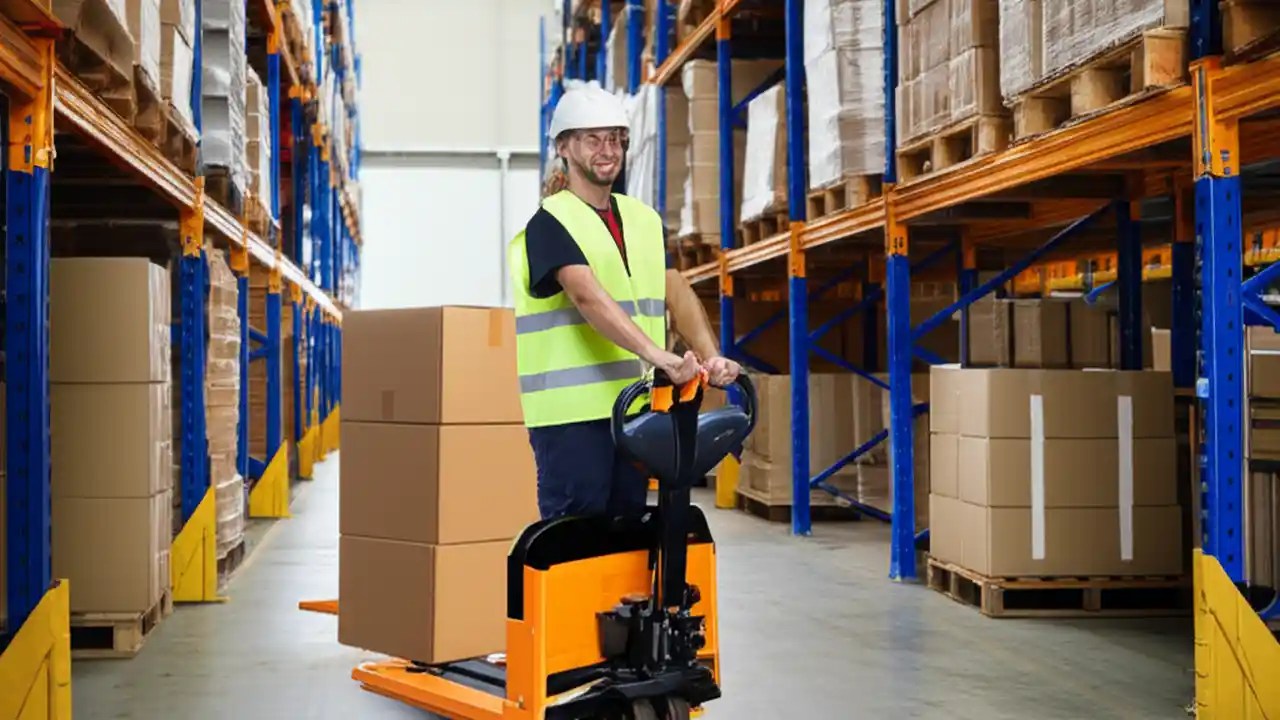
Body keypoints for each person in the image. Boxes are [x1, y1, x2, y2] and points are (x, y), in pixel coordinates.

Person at [509, 83, 742, 520]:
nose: (608, 150)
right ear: (564, 146)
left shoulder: (642, 220)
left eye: (616, 138)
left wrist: (713, 359)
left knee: (626, 534)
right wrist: (661, 357)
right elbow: (585, 294)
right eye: (592, 139)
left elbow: (674, 289)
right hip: (571, 421)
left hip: (634, 408)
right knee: (576, 542)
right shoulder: (550, 222)